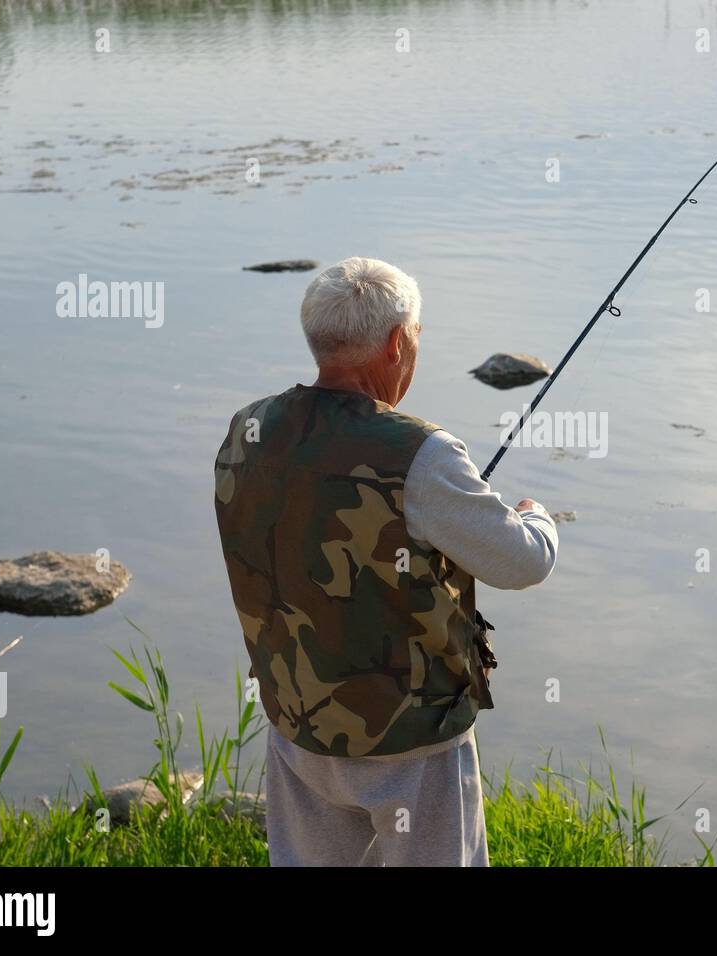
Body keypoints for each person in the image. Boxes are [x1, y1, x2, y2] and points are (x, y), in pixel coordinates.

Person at [213, 257, 558, 866]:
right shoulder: (421, 453)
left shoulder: (249, 430)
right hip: (411, 740)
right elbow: (522, 563)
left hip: (300, 721)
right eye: (417, 337)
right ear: (397, 342)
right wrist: (537, 518)